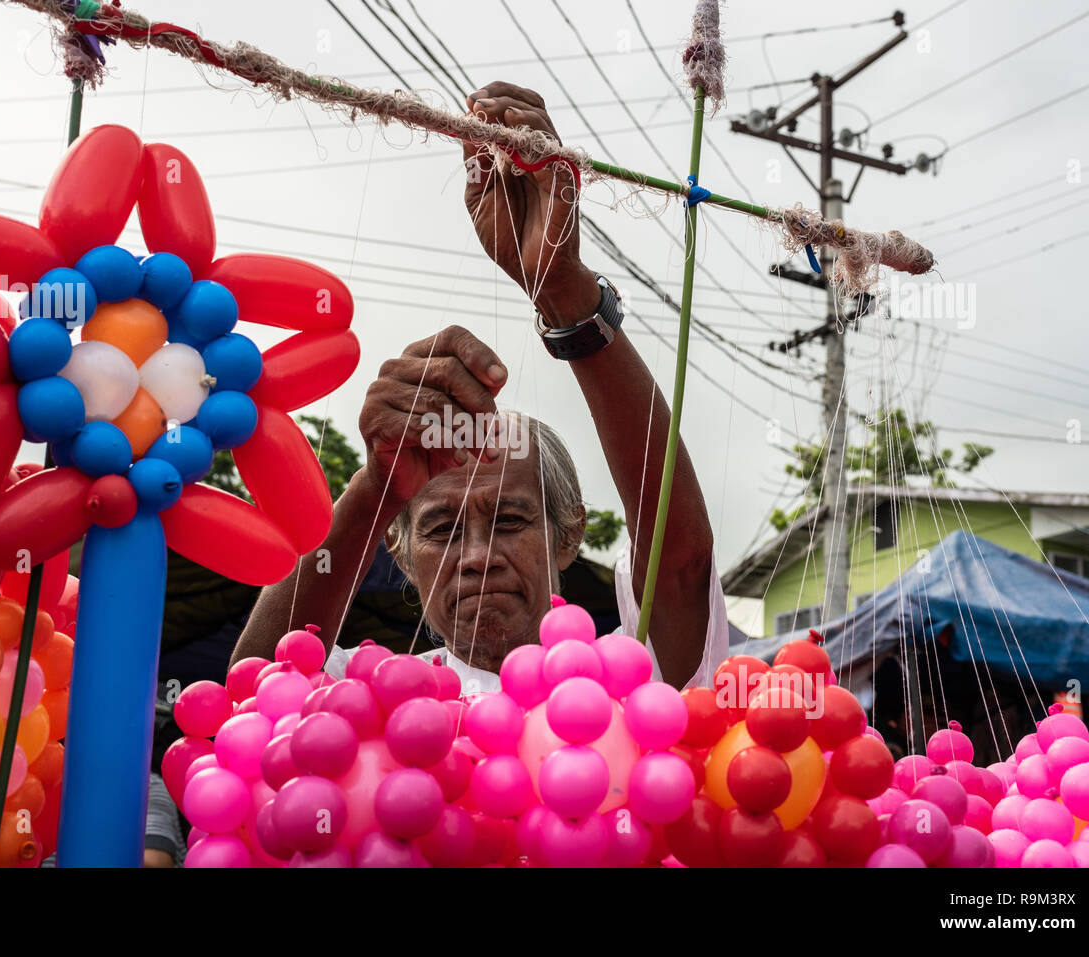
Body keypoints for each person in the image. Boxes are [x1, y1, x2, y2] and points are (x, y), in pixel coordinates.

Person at [233, 82, 728, 691]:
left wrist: (565, 295)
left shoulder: (627, 681)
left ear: (568, 534)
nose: (477, 558)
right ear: (402, 552)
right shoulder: (370, 699)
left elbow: (680, 569)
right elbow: (255, 690)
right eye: (440, 528)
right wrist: (376, 488)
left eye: (513, 520)